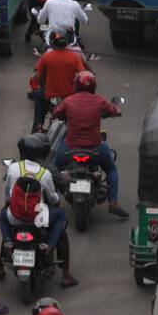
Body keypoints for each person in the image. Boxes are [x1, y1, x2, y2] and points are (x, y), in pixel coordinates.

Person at [53, 71, 129, 218]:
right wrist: (116, 112)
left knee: (53, 168)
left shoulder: (69, 101)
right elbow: (114, 110)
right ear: (93, 86)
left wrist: (59, 113)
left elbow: (56, 112)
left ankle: (51, 199)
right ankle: (113, 203)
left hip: (70, 149)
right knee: (111, 168)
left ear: (76, 85)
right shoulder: (99, 101)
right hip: (95, 150)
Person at [0, 154, 76, 287]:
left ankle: (2, 261)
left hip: (15, 217)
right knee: (61, 216)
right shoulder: (45, 173)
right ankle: (63, 271)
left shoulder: (13, 168)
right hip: (38, 219)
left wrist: (9, 204)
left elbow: (7, 195)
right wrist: (57, 203)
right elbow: (53, 198)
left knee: (3, 216)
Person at [31, 26, 86, 133]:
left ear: (51, 41)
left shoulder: (46, 57)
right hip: (69, 96)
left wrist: (40, 82)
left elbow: (38, 77)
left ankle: (37, 127)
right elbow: (83, 76)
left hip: (49, 96)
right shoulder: (75, 57)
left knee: (38, 95)